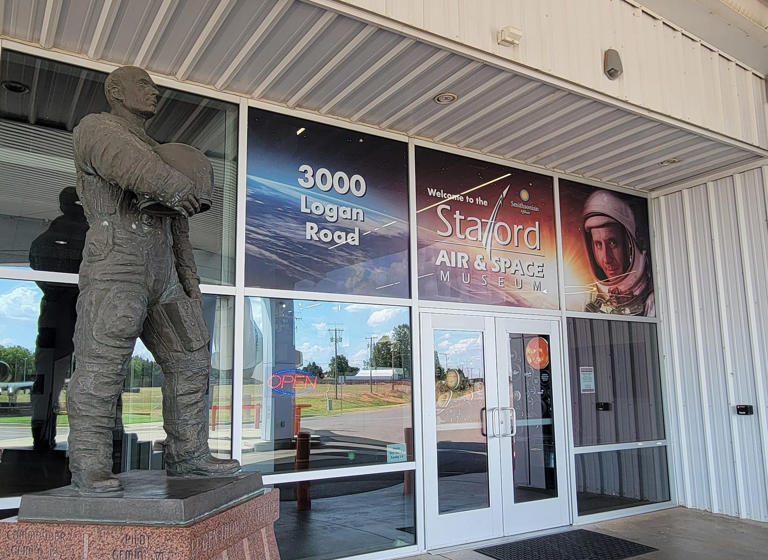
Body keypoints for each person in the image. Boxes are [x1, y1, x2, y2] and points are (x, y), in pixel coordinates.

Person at [67, 66, 239, 493]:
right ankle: (89, 465)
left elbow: (176, 228)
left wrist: (188, 278)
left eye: (153, 85)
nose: (154, 91)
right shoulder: (97, 129)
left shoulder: (158, 149)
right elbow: (130, 165)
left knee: (192, 356)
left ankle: (188, 455)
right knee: (103, 363)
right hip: (117, 262)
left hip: (162, 270)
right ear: (115, 90)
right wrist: (182, 189)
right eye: (144, 84)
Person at [582, 189, 654, 316]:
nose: (606, 258)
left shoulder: (651, 302)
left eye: (612, 243)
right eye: (598, 245)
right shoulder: (591, 301)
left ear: (630, 245)